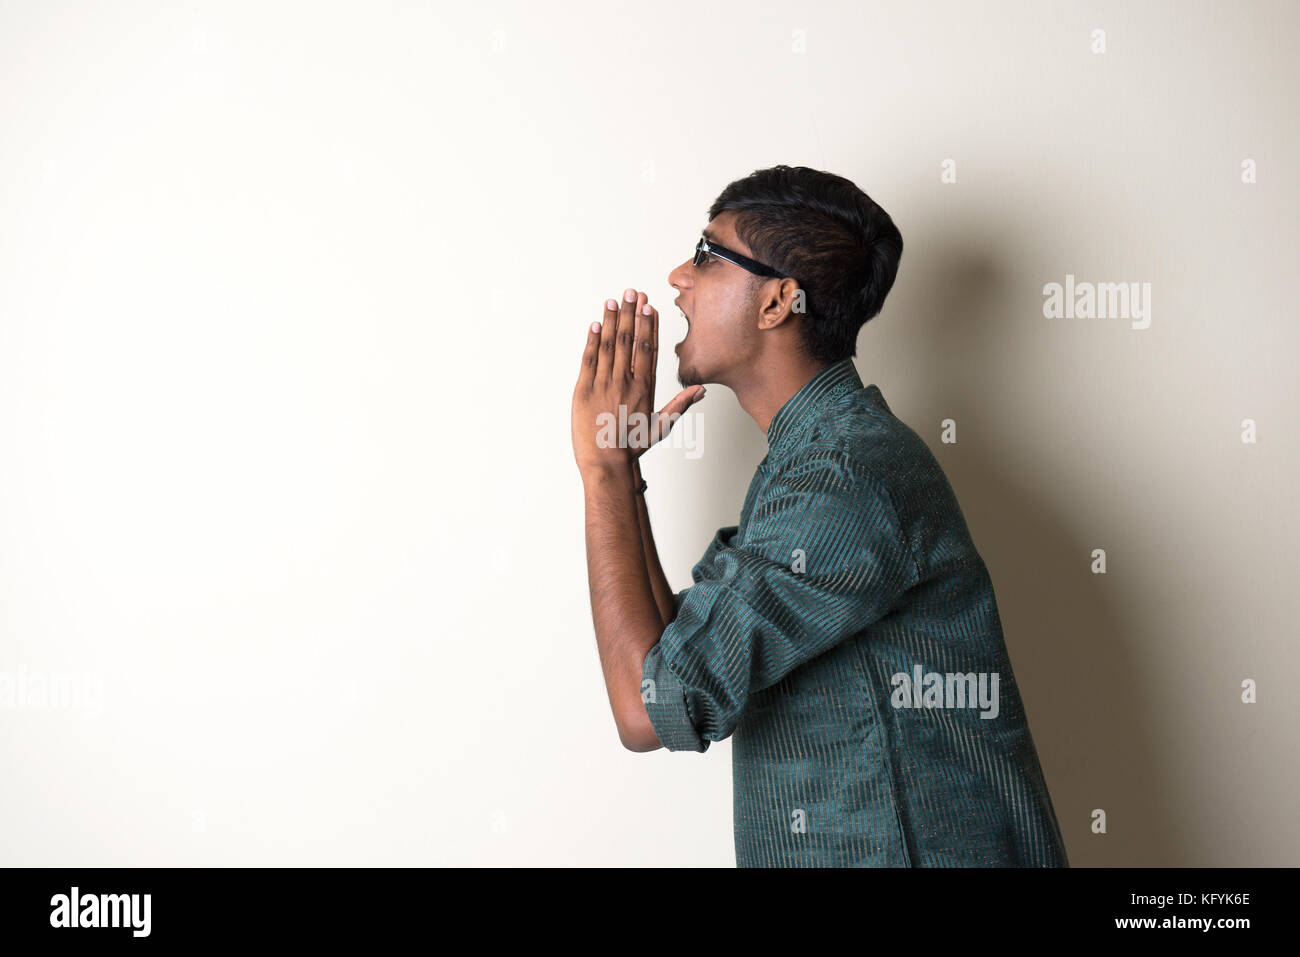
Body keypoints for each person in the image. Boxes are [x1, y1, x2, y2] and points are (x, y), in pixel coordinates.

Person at [570, 164, 1068, 867]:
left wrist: (603, 472)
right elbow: (674, 652)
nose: (679, 274)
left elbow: (647, 707)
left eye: (709, 255)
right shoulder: (816, 463)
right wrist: (622, 470)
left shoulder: (842, 478)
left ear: (776, 302)